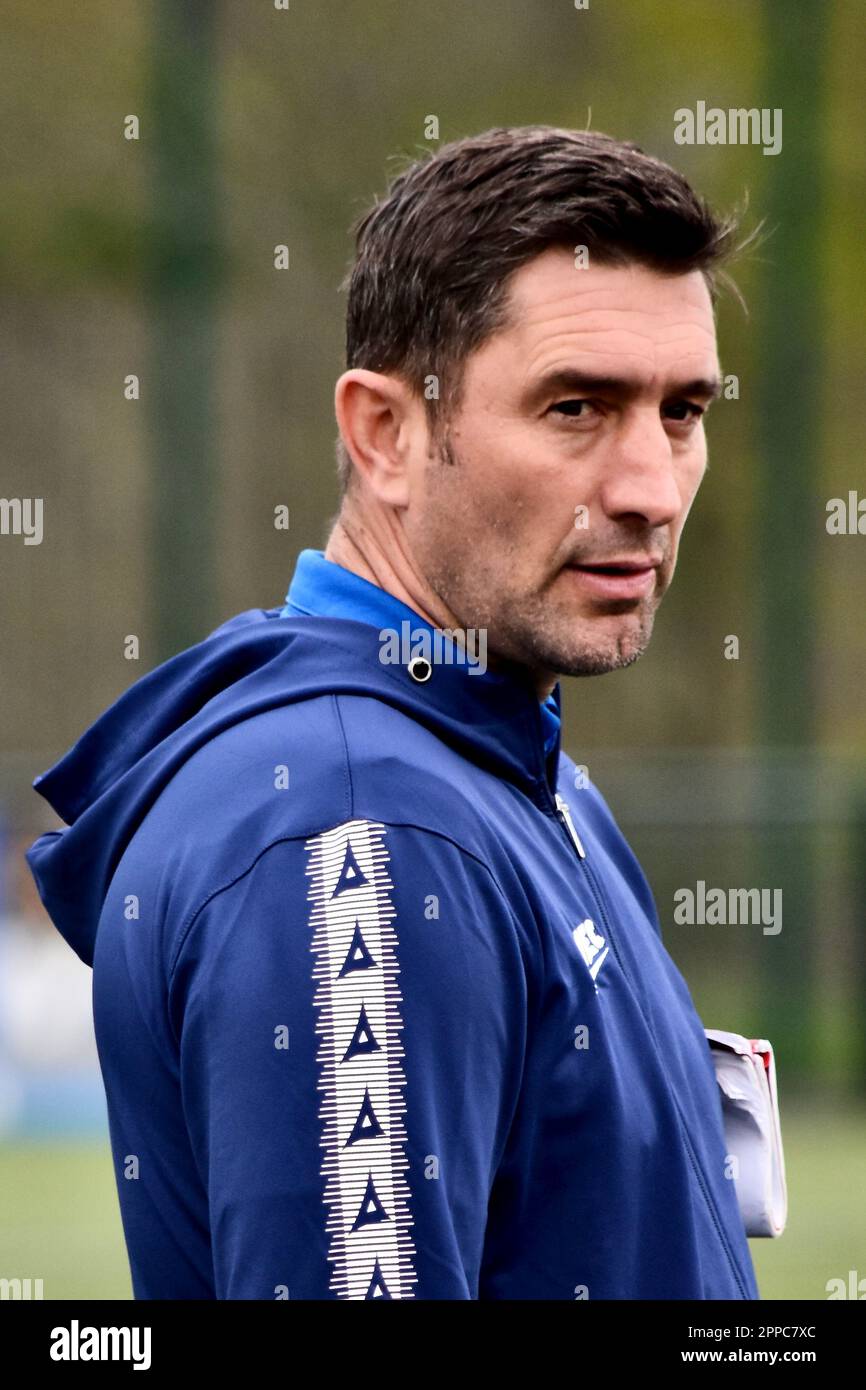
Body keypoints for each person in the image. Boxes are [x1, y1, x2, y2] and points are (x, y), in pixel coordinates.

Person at [26, 126, 759, 1300]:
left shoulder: (497, 756)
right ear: (385, 434)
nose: (648, 488)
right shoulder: (360, 815)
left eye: (680, 411)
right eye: (576, 407)